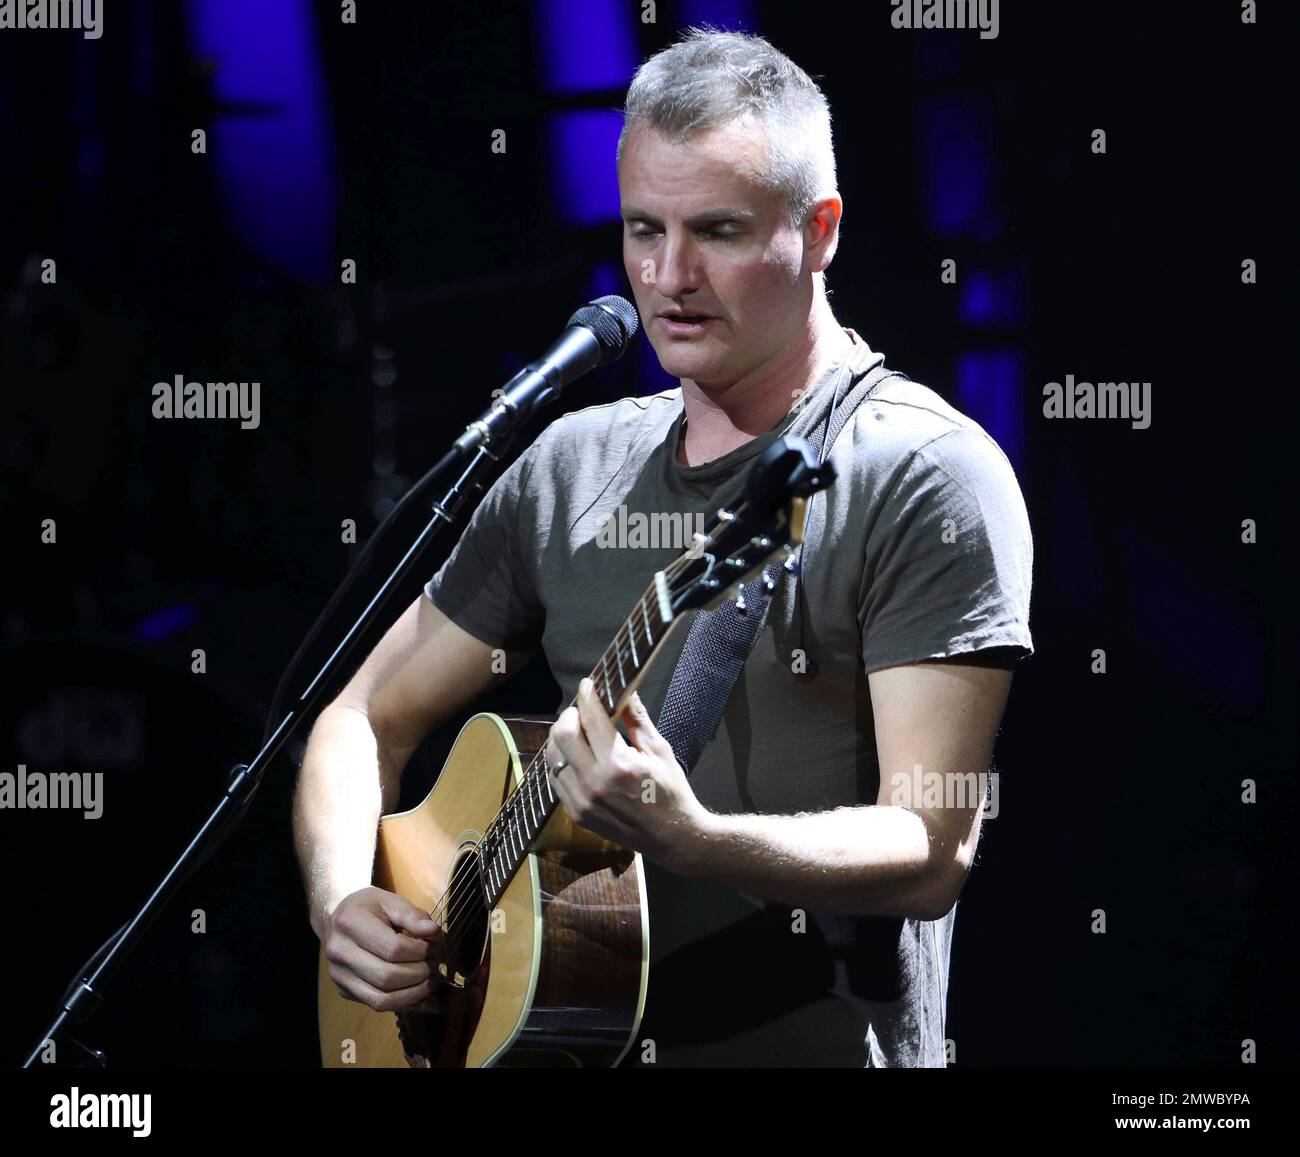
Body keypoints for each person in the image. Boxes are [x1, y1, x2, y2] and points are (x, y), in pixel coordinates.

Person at [292, 27, 1033, 1068]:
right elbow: (358, 715)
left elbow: (931, 846)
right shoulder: (568, 464)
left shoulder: (922, 472)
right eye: (644, 230)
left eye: (718, 231)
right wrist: (342, 904)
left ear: (819, 230)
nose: (668, 275)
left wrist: (696, 840)